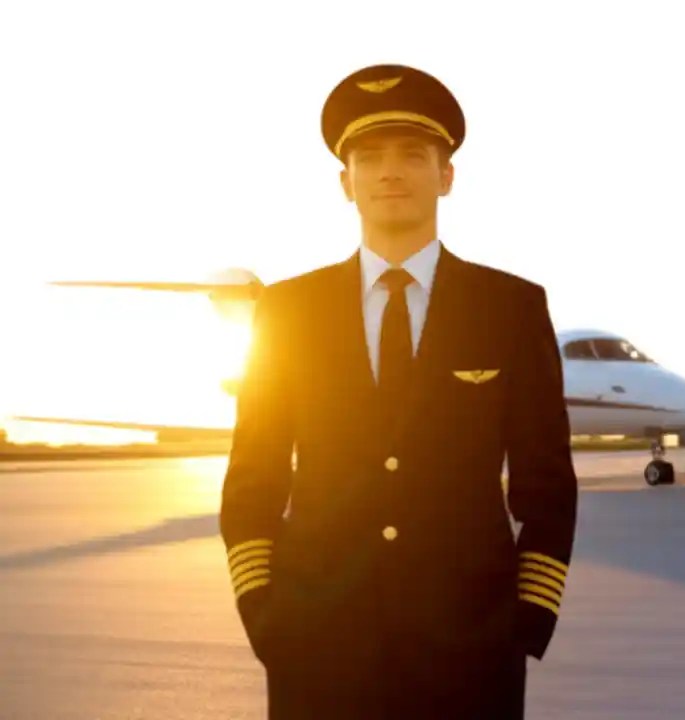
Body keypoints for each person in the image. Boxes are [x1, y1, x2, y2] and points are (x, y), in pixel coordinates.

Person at [219, 63, 578, 718]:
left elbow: (547, 485)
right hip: (314, 651)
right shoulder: (286, 311)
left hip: (472, 655)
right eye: (370, 157)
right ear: (344, 183)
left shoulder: (511, 308)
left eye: (414, 155)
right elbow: (252, 480)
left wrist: (523, 620)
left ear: (446, 176)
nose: (391, 171)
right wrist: (266, 618)